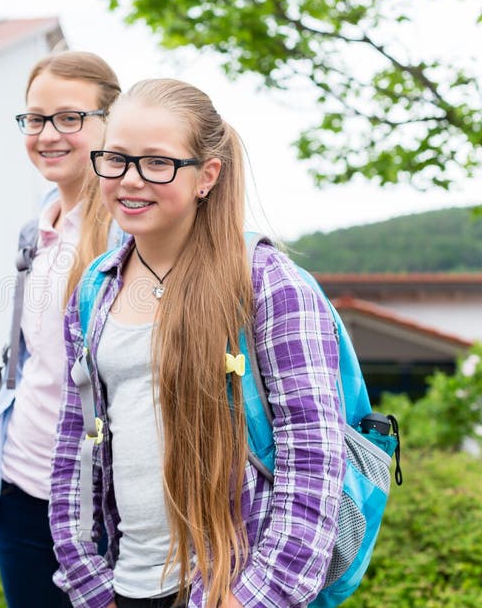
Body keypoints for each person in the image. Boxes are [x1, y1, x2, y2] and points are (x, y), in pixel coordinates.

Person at [49, 79, 346, 608]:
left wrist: (254, 598)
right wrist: (90, 582)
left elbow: (313, 464)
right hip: (126, 586)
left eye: (157, 163)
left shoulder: (267, 285)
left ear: (207, 176)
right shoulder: (95, 287)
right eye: (115, 159)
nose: (129, 180)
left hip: (229, 587)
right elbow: (76, 443)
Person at [0, 51, 122, 608]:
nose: (48, 134)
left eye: (70, 118)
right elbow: (27, 371)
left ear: (110, 123)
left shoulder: (132, 236)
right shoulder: (37, 234)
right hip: (22, 494)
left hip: (104, 506)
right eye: (35, 119)